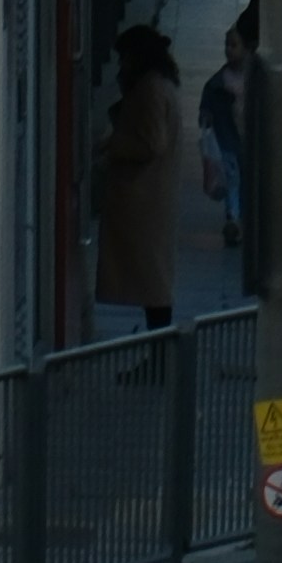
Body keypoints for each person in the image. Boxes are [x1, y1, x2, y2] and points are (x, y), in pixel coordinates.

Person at [92, 20, 187, 335]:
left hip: (145, 199)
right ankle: (156, 348)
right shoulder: (163, 85)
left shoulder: (150, 88)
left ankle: (158, 352)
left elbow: (150, 143)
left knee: (152, 282)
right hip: (154, 198)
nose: (122, 64)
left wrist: (112, 145)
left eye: (125, 58)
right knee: (154, 281)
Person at [197, 3, 254, 261]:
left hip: (249, 139)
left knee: (247, 180)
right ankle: (234, 219)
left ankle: (241, 218)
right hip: (228, 139)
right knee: (233, 179)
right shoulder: (217, 83)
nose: (230, 51)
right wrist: (206, 120)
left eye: (235, 45)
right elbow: (206, 106)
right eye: (227, 45)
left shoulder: (254, 78)